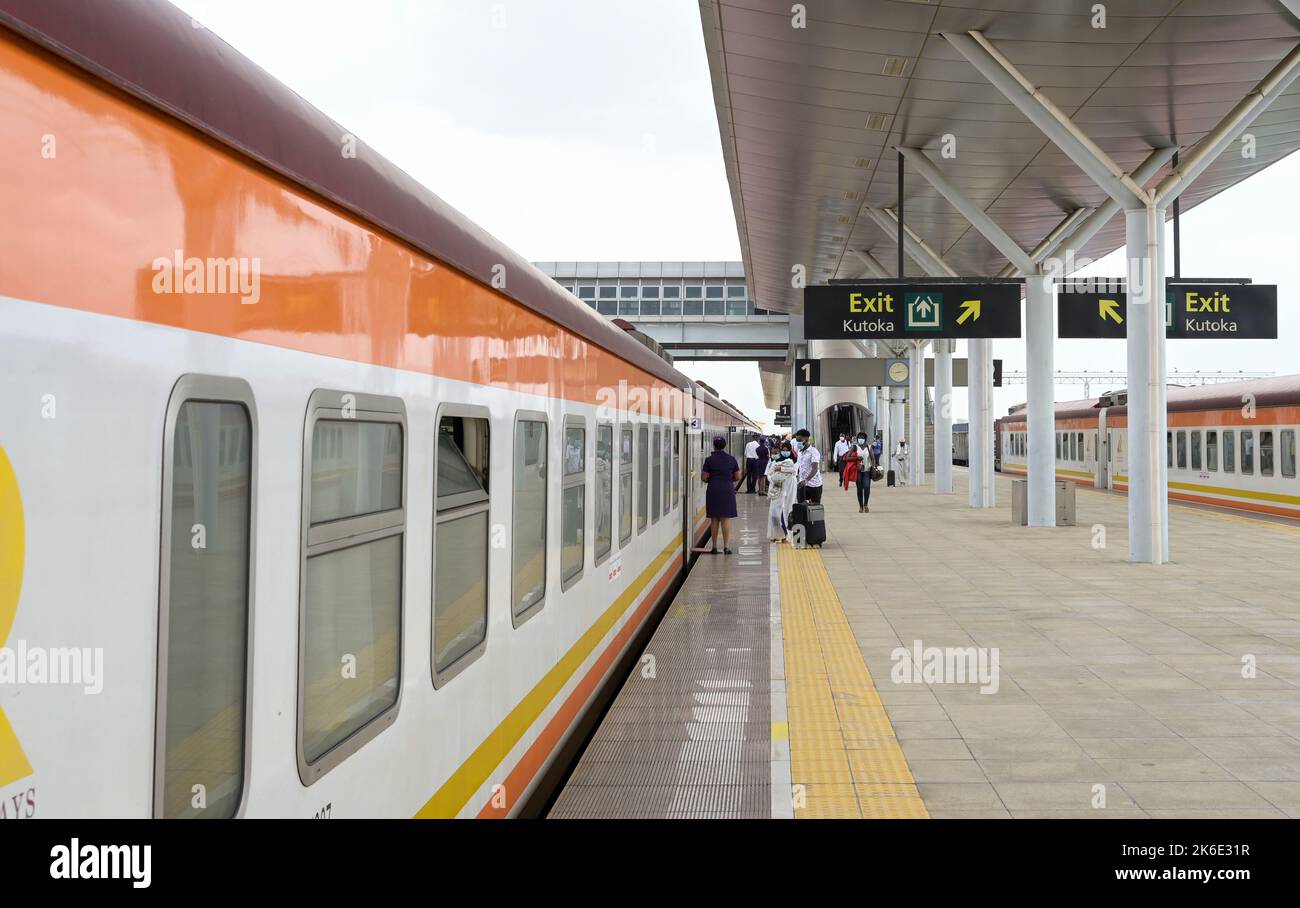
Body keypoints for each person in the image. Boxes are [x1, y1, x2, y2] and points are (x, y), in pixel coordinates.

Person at [701, 435, 740, 554]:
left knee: (714, 518)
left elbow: (704, 477)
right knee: (725, 518)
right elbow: (737, 476)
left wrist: (712, 479)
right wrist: (728, 479)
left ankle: (713, 546)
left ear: (714, 445)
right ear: (725, 445)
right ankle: (726, 546)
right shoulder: (731, 459)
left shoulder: (709, 460)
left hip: (713, 489)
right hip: (727, 489)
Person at [765, 441, 798, 542]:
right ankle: (777, 534)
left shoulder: (794, 460)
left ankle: (789, 534)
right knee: (775, 510)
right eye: (783, 450)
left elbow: (794, 470)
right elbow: (769, 474)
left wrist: (781, 468)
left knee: (789, 508)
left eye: (787, 450)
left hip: (791, 485)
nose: (785, 452)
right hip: (778, 486)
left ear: (790, 450)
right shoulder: (775, 461)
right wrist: (774, 480)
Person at [841, 432, 878, 513]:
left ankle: (866, 505)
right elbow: (847, 458)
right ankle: (861, 506)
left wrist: (874, 467)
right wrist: (856, 458)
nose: (860, 439)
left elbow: (873, 458)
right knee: (860, 488)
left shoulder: (869, 447)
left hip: (867, 471)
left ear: (865, 439)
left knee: (867, 487)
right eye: (859, 437)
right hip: (857, 471)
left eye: (862, 437)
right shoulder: (854, 447)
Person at [792, 428, 824, 505]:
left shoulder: (813, 452)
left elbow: (815, 469)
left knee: (814, 509)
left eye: (800, 440)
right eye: (797, 441)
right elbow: (800, 467)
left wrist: (806, 480)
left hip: (814, 486)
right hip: (802, 485)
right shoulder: (800, 452)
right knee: (801, 508)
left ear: (806, 439)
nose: (798, 443)